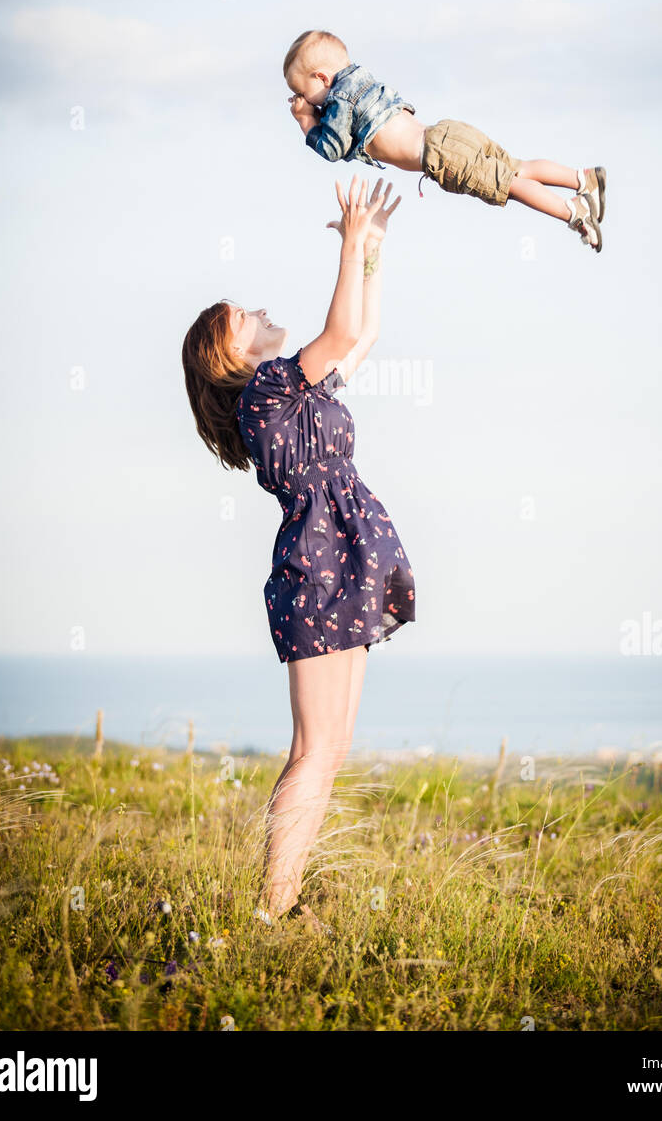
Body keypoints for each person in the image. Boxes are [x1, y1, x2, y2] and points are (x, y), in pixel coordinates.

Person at [181, 177, 415, 931]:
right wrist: (350, 242)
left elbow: (363, 337)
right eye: (243, 316)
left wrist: (371, 251)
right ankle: (271, 908)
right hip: (319, 571)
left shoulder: (295, 391)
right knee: (313, 751)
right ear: (228, 351)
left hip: (345, 565)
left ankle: (286, 900)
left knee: (333, 749)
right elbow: (340, 336)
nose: (259, 313)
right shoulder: (265, 393)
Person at [283, 28, 607, 252]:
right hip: (448, 133)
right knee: (518, 168)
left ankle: (573, 212)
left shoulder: (340, 98)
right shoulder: (361, 78)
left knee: (510, 185)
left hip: (440, 154)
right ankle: (582, 178)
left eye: (304, 92)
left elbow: (333, 148)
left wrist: (305, 120)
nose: (309, 101)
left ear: (322, 77)